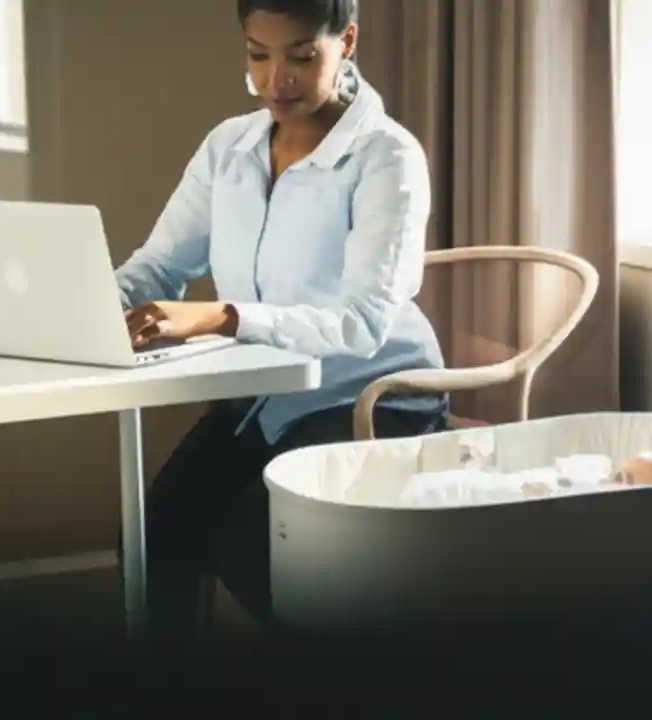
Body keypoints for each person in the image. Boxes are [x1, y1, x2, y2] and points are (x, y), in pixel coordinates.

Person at [114, 0, 449, 638]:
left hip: (373, 393)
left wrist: (224, 316)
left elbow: (361, 324)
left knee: (252, 541)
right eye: (257, 55)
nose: (276, 81)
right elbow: (159, 266)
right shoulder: (229, 148)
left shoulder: (387, 157)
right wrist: (90, 300)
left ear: (346, 41)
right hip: (267, 394)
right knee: (156, 533)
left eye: (300, 56)